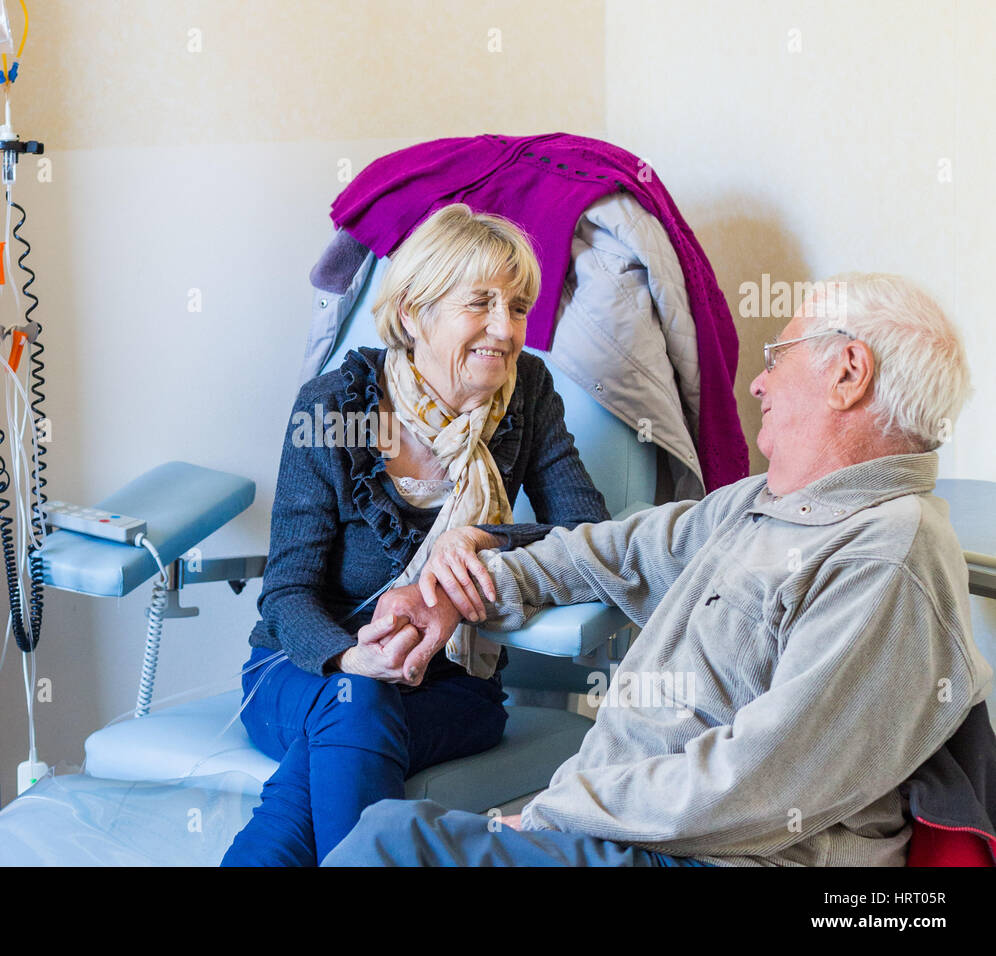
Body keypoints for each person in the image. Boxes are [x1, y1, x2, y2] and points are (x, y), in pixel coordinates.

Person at [325, 272, 995, 867]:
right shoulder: (762, 503)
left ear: (849, 372)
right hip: (628, 828)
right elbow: (616, 551)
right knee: (387, 833)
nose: (759, 382)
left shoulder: (887, 553)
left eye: (777, 358)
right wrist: (468, 590)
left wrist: (564, 810)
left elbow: (759, 781)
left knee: (391, 844)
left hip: (719, 855)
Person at [220, 204, 610, 866]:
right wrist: (351, 659)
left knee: (339, 737)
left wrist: (487, 539)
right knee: (353, 703)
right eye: (479, 304)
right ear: (412, 314)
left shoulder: (527, 394)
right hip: (300, 671)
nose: (505, 328)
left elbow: (590, 534)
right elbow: (286, 594)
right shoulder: (336, 407)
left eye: (517, 307)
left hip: (453, 687)